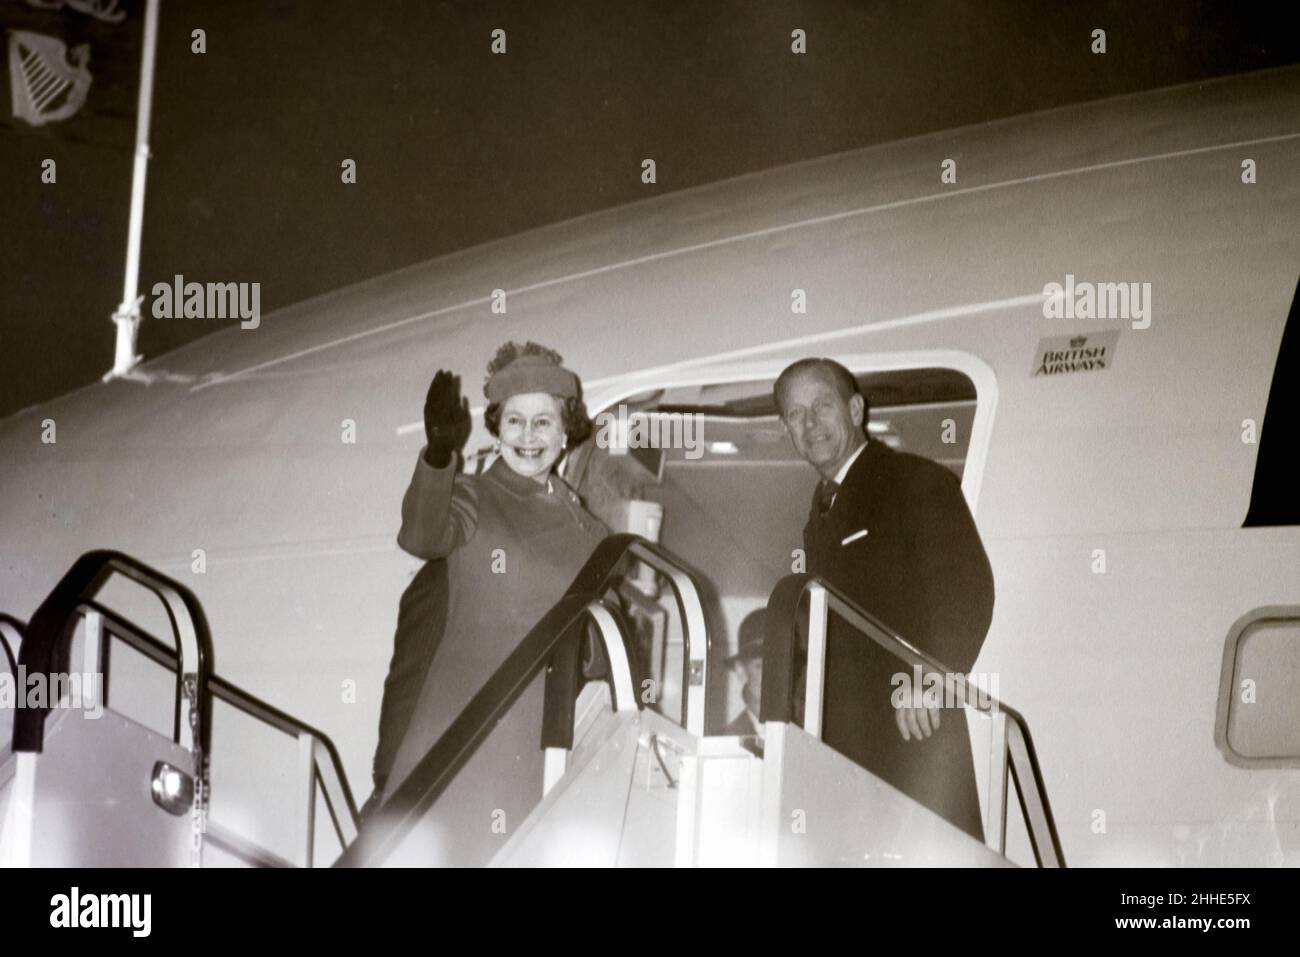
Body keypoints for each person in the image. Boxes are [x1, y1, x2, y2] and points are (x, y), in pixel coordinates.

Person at [372, 342, 609, 808]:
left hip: (545, 741)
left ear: (567, 432)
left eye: (543, 421)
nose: (528, 434)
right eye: (514, 420)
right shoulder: (474, 495)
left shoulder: (592, 531)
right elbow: (421, 536)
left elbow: (596, 648)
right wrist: (439, 455)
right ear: (497, 429)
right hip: (462, 734)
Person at [774, 357, 995, 841]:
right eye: (795, 414)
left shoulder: (913, 482)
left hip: (908, 742)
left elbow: (965, 587)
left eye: (822, 405)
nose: (809, 423)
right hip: (844, 753)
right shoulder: (821, 512)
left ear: (856, 409)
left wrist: (929, 678)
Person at [723, 610, 765, 736]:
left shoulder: (807, 738)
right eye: (760, 666)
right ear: (741, 671)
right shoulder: (724, 742)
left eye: (779, 667)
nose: (773, 677)